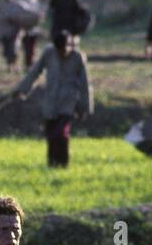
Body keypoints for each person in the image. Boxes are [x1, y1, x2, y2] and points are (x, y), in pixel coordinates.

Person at [13, 30, 93, 168]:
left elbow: (85, 84)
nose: (63, 52)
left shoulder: (78, 57)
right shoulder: (49, 53)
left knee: (61, 134)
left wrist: (85, 107)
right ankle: (52, 164)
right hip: (51, 101)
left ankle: (63, 163)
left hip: (68, 102)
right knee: (50, 134)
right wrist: (21, 90)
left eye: (65, 49)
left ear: (70, 45)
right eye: (60, 50)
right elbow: (35, 72)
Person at [14, 0, 43, 68]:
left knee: (32, 48)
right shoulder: (18, 2)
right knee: (20, 48)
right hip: (22, 29)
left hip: (33, 29)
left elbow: (39, 15)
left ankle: (30, 64)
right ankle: (18, 64)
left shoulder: (36, 1)